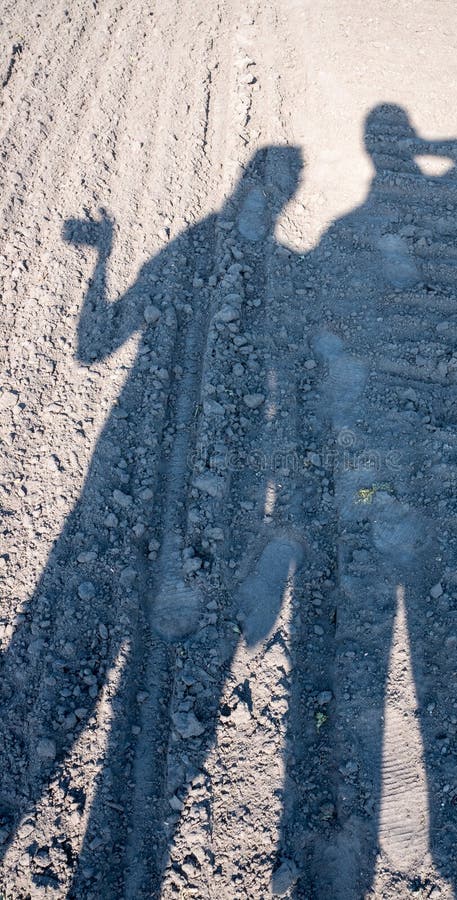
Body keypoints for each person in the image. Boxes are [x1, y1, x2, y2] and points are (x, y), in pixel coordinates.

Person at [0, 145, 303, 897]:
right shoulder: (281, 275)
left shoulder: (181, 255)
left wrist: (103, 261)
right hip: (207, 507)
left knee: (53, 671)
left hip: (111, 491)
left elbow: (92, 343)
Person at [276, 105, 457, 897]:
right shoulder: (447, 204)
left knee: (358, 598)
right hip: (449, 424)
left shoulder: (345, 229)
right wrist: (425, 148)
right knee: (428, 606)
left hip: (370, 440)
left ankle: (353, 791)